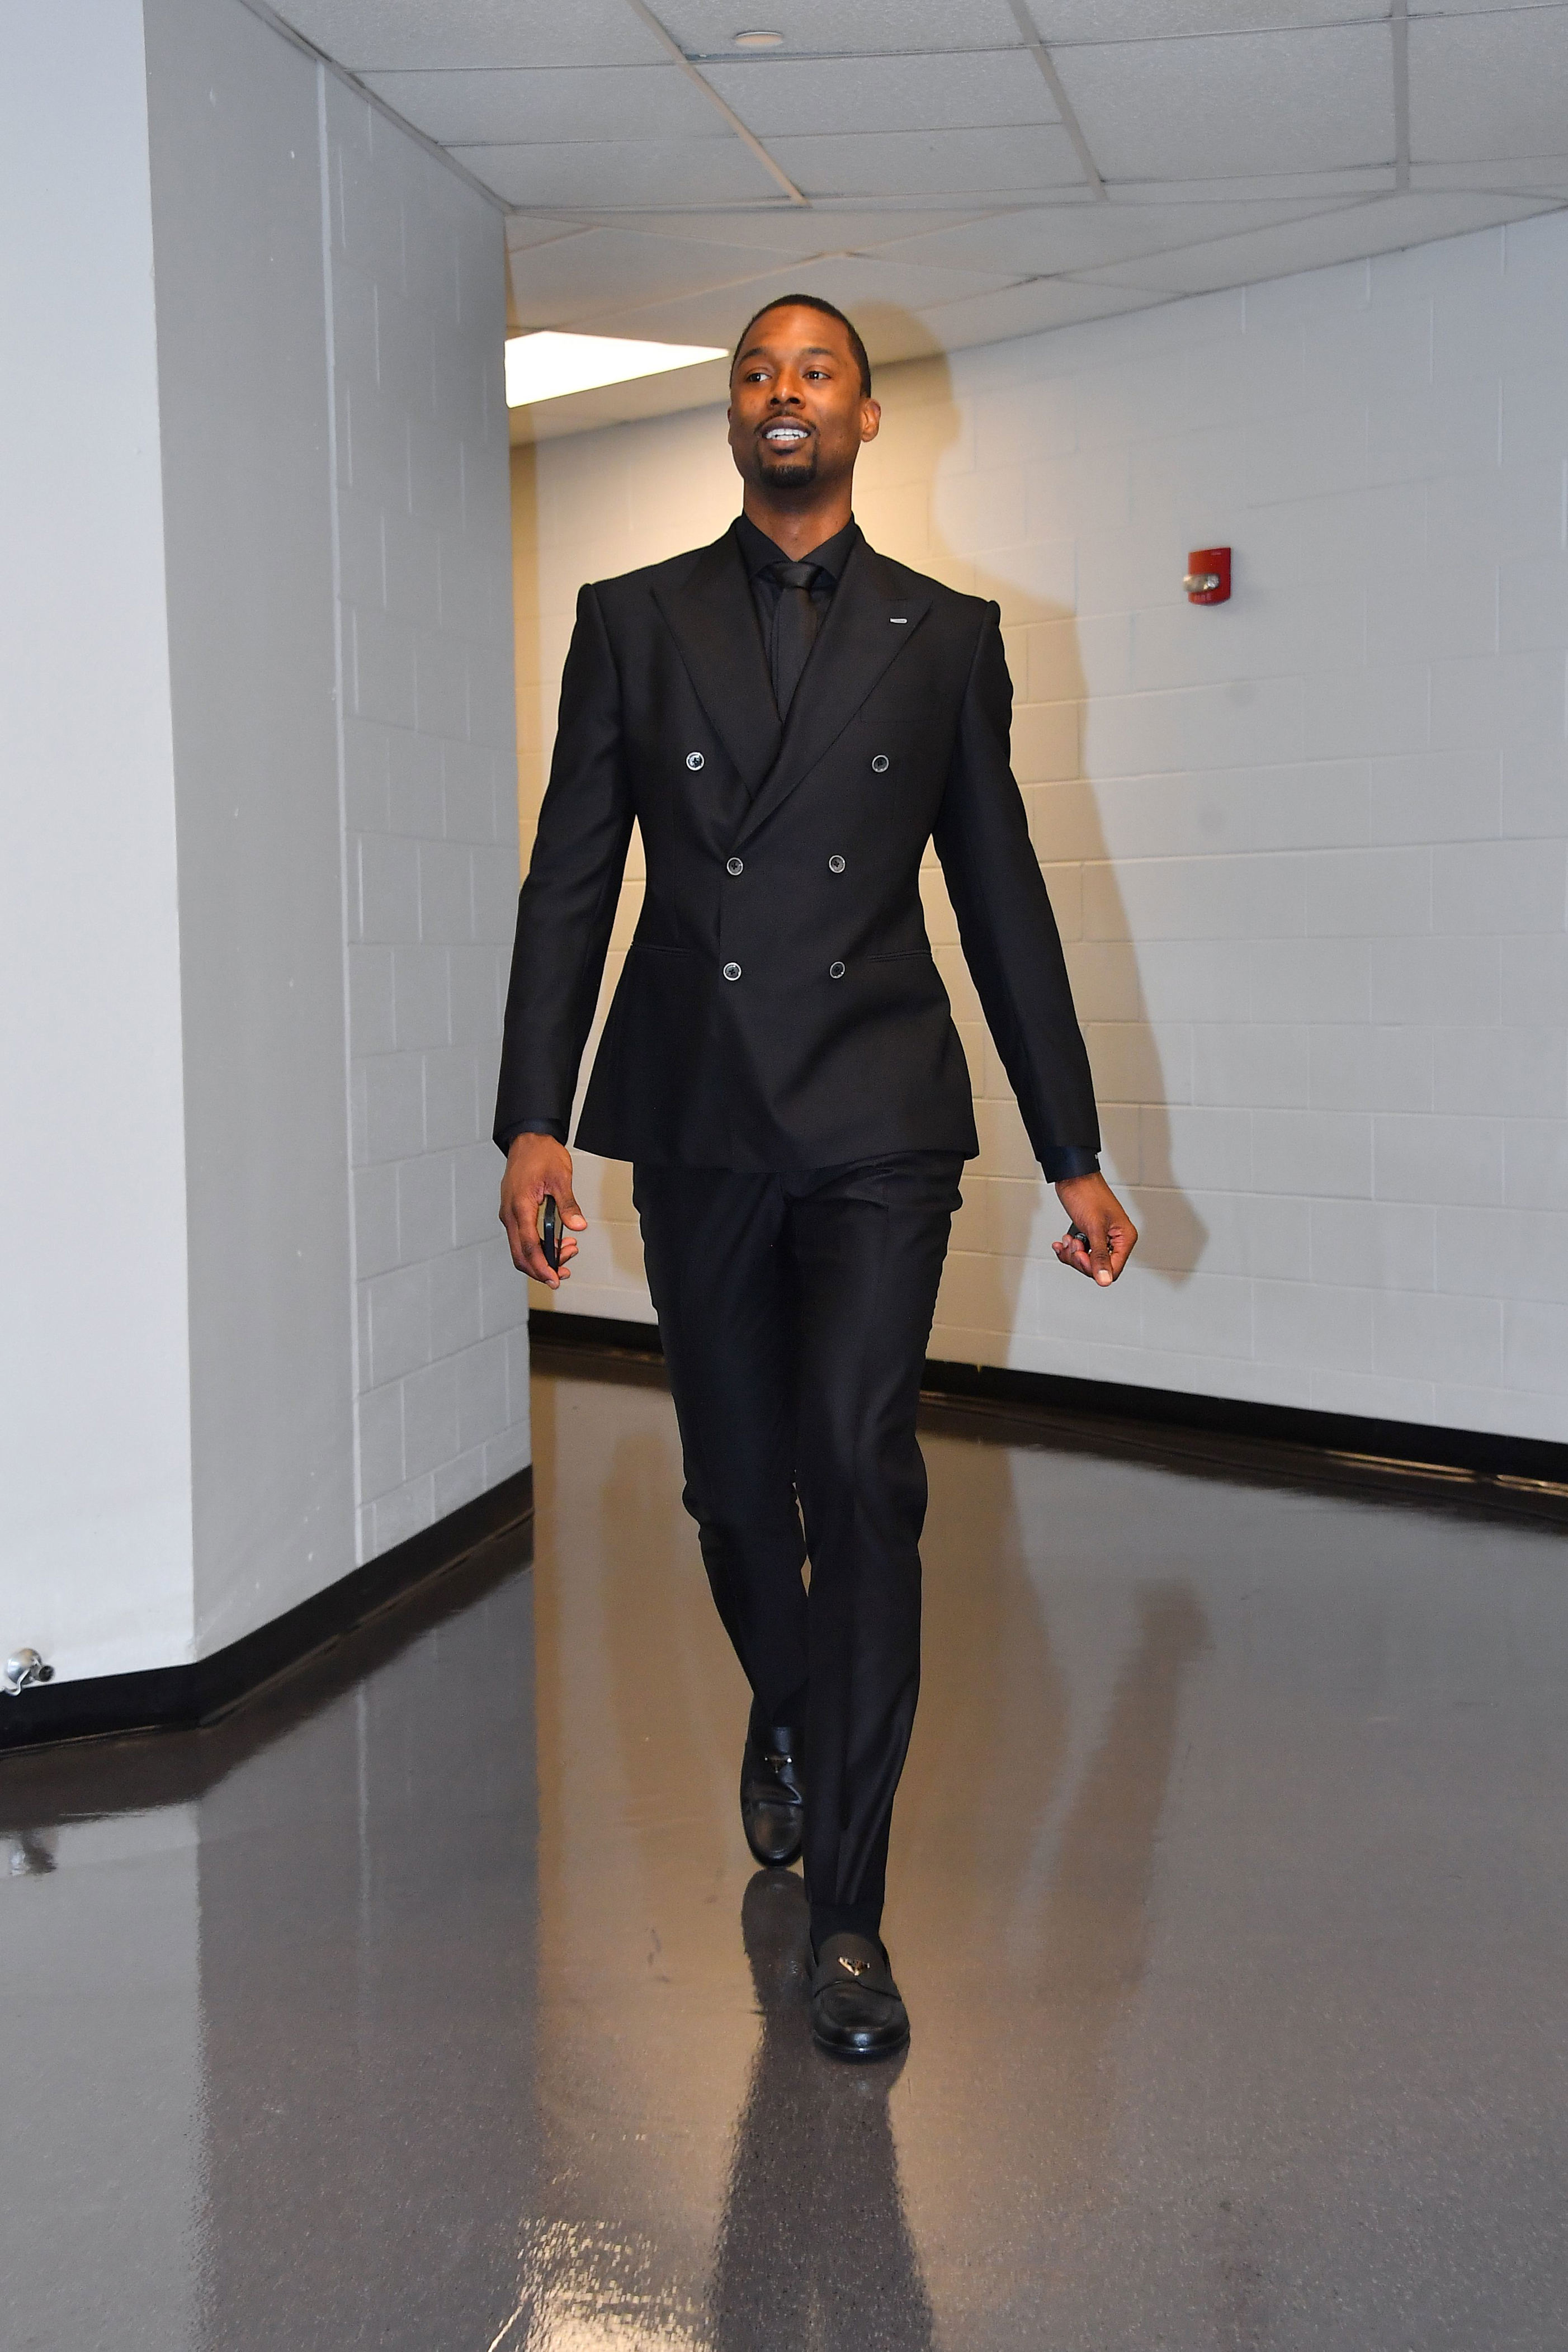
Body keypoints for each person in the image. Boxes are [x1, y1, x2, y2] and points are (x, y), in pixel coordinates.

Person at [495, 295, 1136, 2060]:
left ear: (866, 422)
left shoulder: (946, 637)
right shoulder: (632, 622)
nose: (784, 397)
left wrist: (1071, 1150)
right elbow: (570, 880)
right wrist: (530, 1117)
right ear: (733, 422)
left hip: (875, 1122)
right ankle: (788, 1703)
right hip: (697, 1109)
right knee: (726, 1492)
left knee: (858, 1476)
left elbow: (998, 900)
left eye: (815, 376)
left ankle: (848, 1914)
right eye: (755, 377)